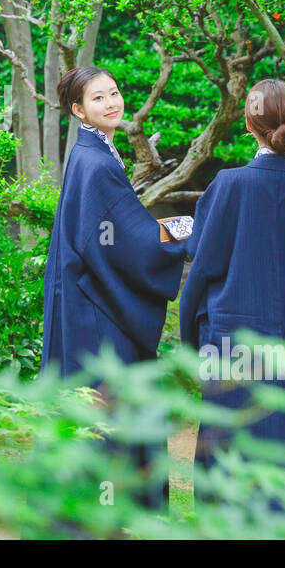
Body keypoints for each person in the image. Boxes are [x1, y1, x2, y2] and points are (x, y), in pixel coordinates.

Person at [178, 78, 285, 527]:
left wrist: (192, 332)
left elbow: (203, 263)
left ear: (250, 125)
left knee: (227, 455)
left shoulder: (228, 185)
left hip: (231, 348)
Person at [41, 66, 191, 510]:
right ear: (78, 110)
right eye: (98, 98)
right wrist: (180, 231)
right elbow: (126, 242)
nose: (112, 103)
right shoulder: (95, 159)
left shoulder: (93, 152)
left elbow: (113, 232)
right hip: (98, 305)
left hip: (86, 295)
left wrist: (158, 231)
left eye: (114, 93)